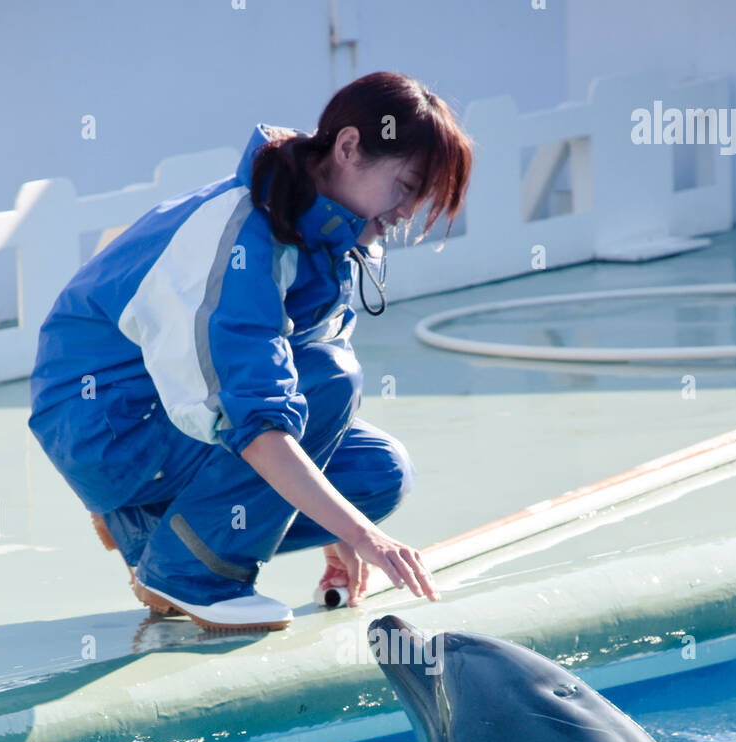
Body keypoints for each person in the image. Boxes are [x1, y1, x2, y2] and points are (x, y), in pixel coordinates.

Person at [27, 71, 474, 631]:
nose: (408, 212)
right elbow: (260, 416)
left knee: (378, 474)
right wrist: (366, 537)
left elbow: (301, 384)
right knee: (332, 381)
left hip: (166, 414)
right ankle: (192, 574)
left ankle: (149, 528)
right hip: (105, 421)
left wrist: (336, 531)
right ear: (349, 146)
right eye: (407, 186)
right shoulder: (240, 233)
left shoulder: (329, 232)